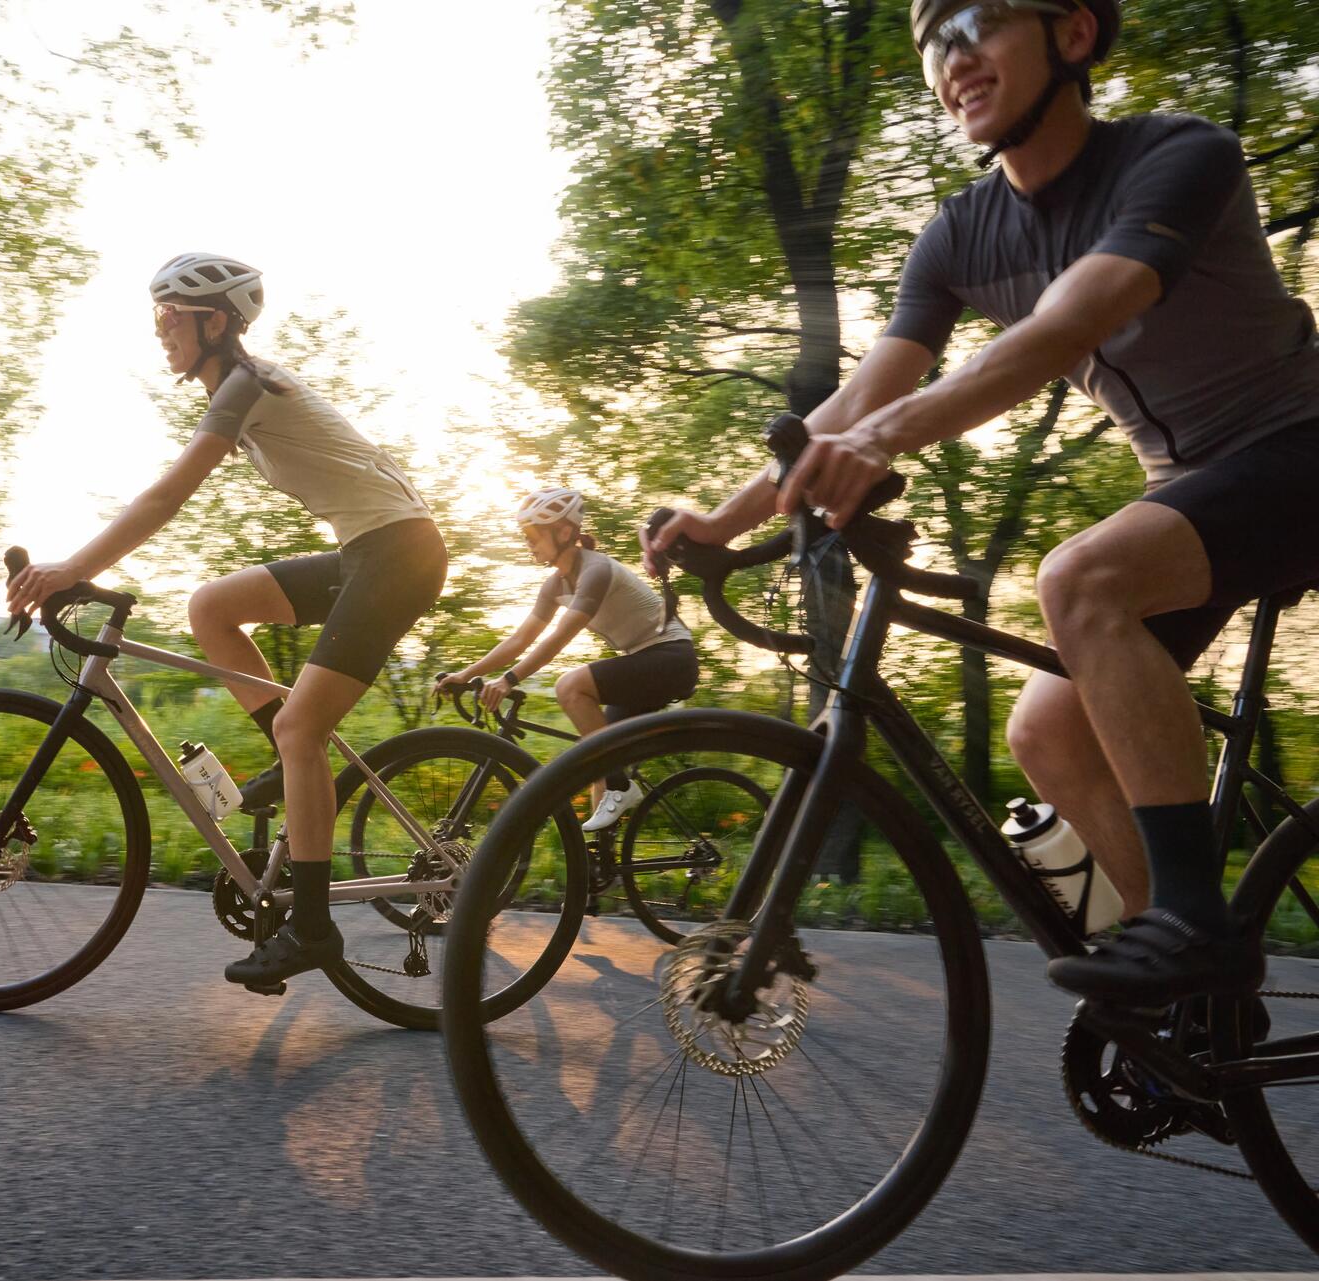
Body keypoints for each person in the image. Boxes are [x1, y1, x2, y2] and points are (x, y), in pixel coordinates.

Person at [644, 0, 1319, 1008]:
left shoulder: (1179, 156)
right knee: (1046, 732)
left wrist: (878, 443)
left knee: (1081, 578)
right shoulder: (962, 231)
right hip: (1192, 492)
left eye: (972, 19)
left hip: (1298, 450)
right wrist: (722, 520)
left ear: (1075, 34)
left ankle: (1193, 923)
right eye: (929, 41)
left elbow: (1068, 323)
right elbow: (861, 395)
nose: (948, 56)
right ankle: (1193, 995)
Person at [7, 254, 448, 989]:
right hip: (367, 550)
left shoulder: (247, 383)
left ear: (217, 321)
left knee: (303, 727)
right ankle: (294, 764)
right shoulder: (242, 387)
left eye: (172, 315)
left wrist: (71, 569)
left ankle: (311, 927)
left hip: (399, 554)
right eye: (157, 315)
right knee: (211, 607)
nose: (161, 330)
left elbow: (165, 497)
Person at [437, 488, 698, 831]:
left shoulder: (596, 570)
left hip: (671, 657)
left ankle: (621, 786)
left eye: (533, 535)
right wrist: (466, 674)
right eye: (524, 536)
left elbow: (560, 636)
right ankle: (597, 869)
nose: (528, 543)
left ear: (563, 532)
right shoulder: (555, 585)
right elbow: (520, 639)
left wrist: (509, 680)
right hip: (645, 659)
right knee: (599, 762)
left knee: (570, 687)